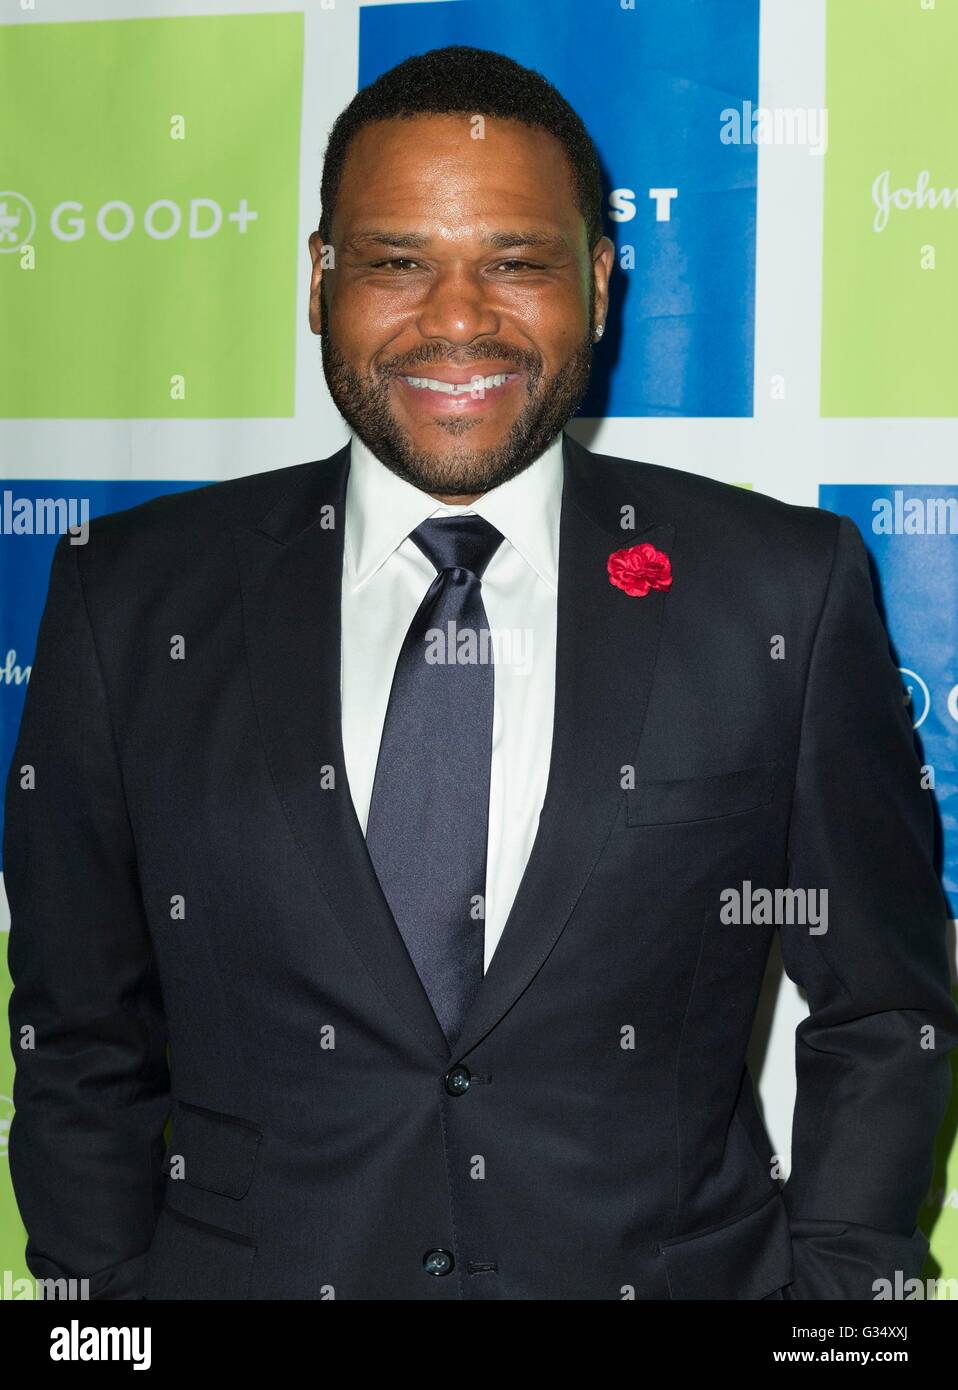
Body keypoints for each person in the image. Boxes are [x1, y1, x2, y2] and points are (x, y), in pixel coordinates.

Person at [5, 45, 956, 1302]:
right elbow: (79, 1038)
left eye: (516, 262)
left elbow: (886, 1007)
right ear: (317, 281)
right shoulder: (126, 597)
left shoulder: (779, 587)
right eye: (397, 261)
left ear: (602, 287)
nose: (457, 319)